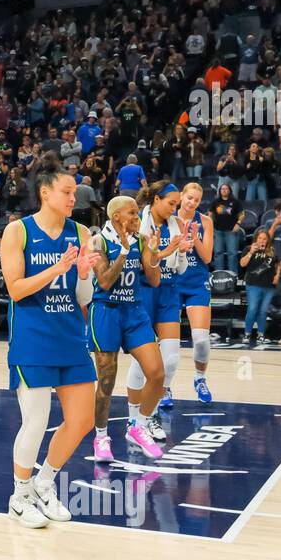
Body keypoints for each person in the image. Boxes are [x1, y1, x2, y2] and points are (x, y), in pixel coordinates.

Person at [0, 165, 101, 528]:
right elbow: (16, 289)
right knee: (36, 421)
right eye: (67, 191)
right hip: (33, 339)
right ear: (45, 193)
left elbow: (83, 297)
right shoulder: (18, 231)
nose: (74, 198)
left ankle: (43, 483)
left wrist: (83, 274)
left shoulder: (82, 232)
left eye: (75, 192)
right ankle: (19, 495)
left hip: (71, 337)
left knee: (83, 420)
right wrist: (57, 269)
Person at [87, 196, 164, 461]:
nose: (137, 217)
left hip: (134, 311)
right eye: (132, 213)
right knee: (107, 381)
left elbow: (154, 280)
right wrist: (122, 250)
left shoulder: (141, 239)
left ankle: (137, 426)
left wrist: (153, 254)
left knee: (157, 373)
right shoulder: (98, 241)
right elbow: (105, 281)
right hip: (106, 311)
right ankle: (100, 437)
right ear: (116, 216)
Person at [125, 183, 191, 424]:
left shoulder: (177, 225)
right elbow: (138, 263)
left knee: (171, 360)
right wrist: (166, 251)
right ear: (156, 200)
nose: (174, 209)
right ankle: (133, 419)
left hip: (169, 289)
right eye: (171, 203)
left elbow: (181, 268)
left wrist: (181, 251)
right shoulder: (138, 222)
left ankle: (148, 416)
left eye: (176, 204)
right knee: (141, 361)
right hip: (143, 289)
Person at [173, 182, 216, 402]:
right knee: (168, 344)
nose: (192, 202)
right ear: (181, 196)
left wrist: (195, 237)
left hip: (196, 282)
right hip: (172, 282)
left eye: (196, 200)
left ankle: (200, 379)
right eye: (189, 197)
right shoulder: (168, 218)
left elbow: (207, 257)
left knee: (201, 340)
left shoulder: (205, 221)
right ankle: (164, 387)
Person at [239, 229, 278, 347]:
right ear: (256, 239)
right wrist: (251, 252)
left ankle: (260, 334)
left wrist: (277, 275)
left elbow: (278, 263)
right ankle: (247, 334)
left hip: (269, 286)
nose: (262, 241)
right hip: (253, 284)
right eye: (260, 238)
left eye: (264, 239)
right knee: (252, 309)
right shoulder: (248, 249)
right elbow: (242, 264)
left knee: (263, 310)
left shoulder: (272, 250)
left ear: (268, 240)